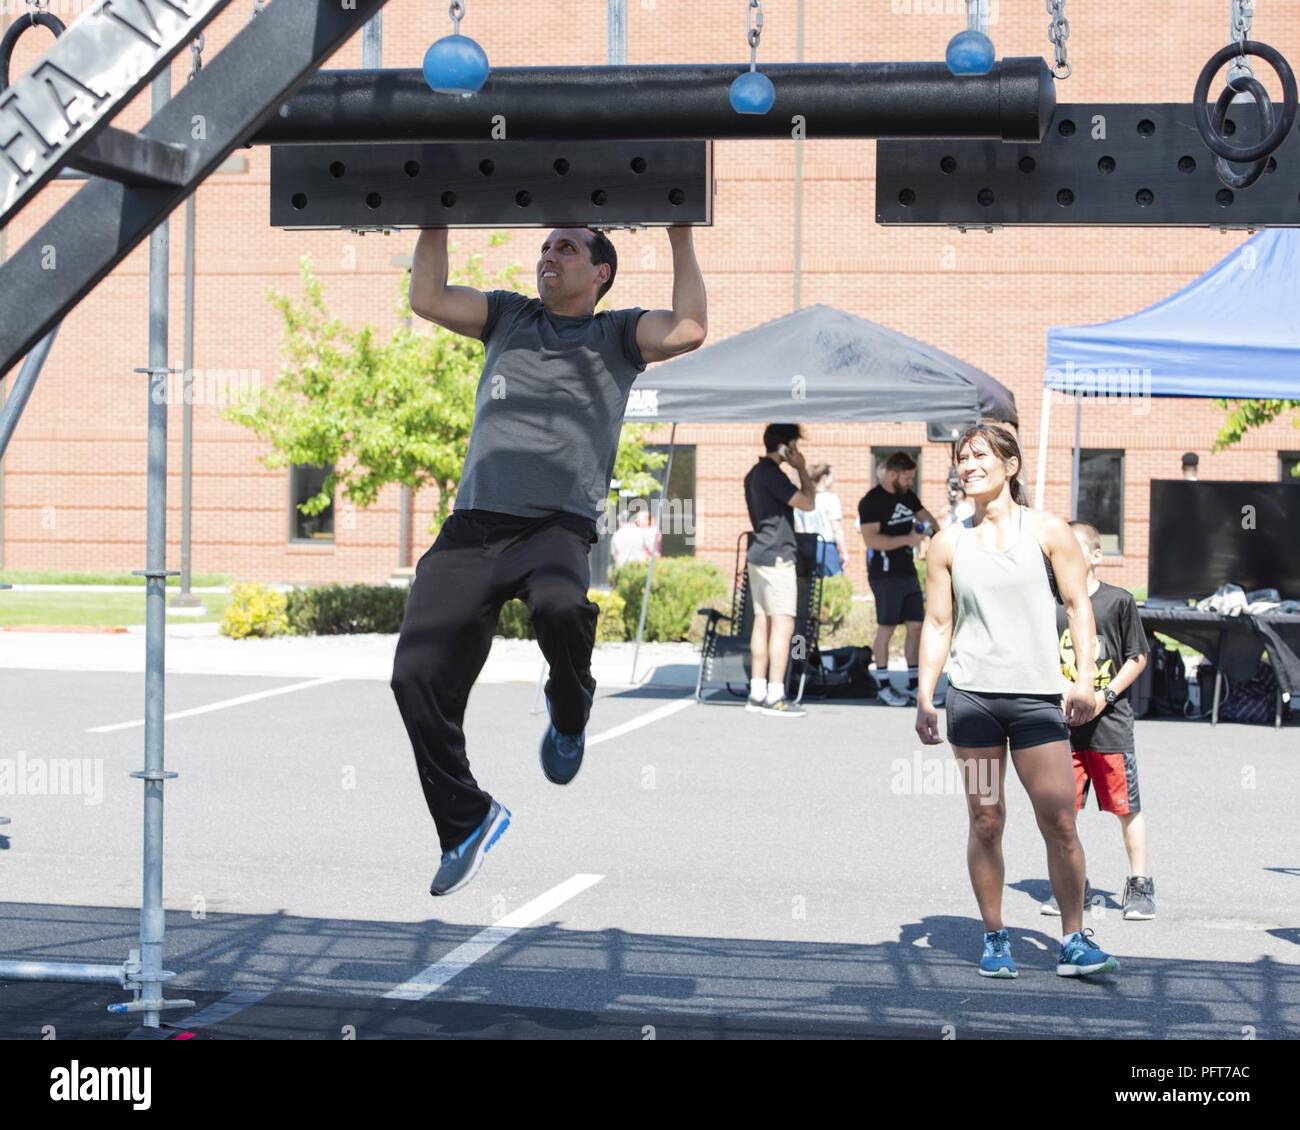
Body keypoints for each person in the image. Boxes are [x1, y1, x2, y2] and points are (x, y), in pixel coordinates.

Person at [391, 225, 706, 896]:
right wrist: (433, 217)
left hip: (555, 529)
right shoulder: (508, 315)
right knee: (413, 675)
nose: (548, 257)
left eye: (567, 248)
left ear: (601, 274)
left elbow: (688, 329)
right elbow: (427, 296)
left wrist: (680, 230)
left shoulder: (617, 335)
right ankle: (466, 818)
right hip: (473, 528)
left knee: (562, 605)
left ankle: (570, 708)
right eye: (545, 247)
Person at [915, 422, 1121, 980]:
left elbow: (1080, 607)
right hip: (974, 704)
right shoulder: (948, 543)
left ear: (1011, 466)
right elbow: (937, 622)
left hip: (1036, 703)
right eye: (963, 458)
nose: (969, 464)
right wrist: (925, 697)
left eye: (981, 455)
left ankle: (1074, 938)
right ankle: (995, 935)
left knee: (1059, 819)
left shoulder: (1050, 532)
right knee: (986, 819)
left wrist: (1082, 679)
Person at [1045, 521, 1154, 921]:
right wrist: (1063, 691)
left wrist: (1104, 697)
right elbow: (1042, 655)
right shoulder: (1051, 603)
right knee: (1062, 811)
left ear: (1094, 555)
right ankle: (1074, 884)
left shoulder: (1117, 601)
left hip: (1110, 726)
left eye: (1076, 548)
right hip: (1063, 727)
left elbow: (1137, 656)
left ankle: (1140, 884)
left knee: (1126, 808)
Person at [743, 424, 816, 717]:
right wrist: (802, 469)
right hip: (776, 557)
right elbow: (808, 503)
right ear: (786, 448)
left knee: (762, 623)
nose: (798, 452)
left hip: (759, 553)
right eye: (795, 446)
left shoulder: (754, 473)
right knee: (783, 626)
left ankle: (757, 692)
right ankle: (775, 695)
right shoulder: (773, 475)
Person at [858, 452, 938, 706]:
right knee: (887, 629)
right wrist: (908, 539)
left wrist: (934, 534)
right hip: (884, 574)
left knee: (916, 626)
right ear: (892, 474)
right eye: (906, 476)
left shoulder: (907, 496)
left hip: (907, 571)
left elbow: (928, 519)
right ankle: (883, 685)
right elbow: (871, 540)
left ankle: (915, 685)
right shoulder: (871, 502)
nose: (910, 481)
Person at [793, 463, 849, 576]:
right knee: (832, 586)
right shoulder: (831, 499)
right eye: (832, 476)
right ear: (824, 478)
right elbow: (836, 529)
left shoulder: (801, 500)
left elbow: (798, 528)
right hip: (826, 548)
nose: (834, 480)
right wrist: (844, 552)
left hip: (805, 547)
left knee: (809, 588)